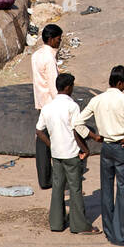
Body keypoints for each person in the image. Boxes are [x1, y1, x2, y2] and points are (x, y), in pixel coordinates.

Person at [75, 65, 124, 247]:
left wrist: (93, 136)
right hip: (121, 147)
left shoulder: (97, 100)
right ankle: (123, 234)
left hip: (106, 147)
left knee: (106, 188)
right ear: (120, 82)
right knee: (122, 188)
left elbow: (77, 122)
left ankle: (109, 230)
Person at [35, 73, 100, 236]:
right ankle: (79, 225)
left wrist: (51, 145)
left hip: (56, 154)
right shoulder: (72, 106)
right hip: (71, 153)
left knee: (57, 187)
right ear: (68, 87)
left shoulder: (48, 107)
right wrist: (86, 149)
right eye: (72, 86)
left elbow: (39, 130)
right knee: (75, 188)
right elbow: (77, 128)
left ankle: (56, 222)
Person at [32, 23, 62, 190]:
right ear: (51, 40)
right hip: (50, 103)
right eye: (58, 39)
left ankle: (44, 177)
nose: (60, 42)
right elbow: (52, 84)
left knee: (42, 138)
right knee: (52, 140)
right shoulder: (49, 58)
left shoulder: (36, 55)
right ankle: (50, 177)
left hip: (41, 101)